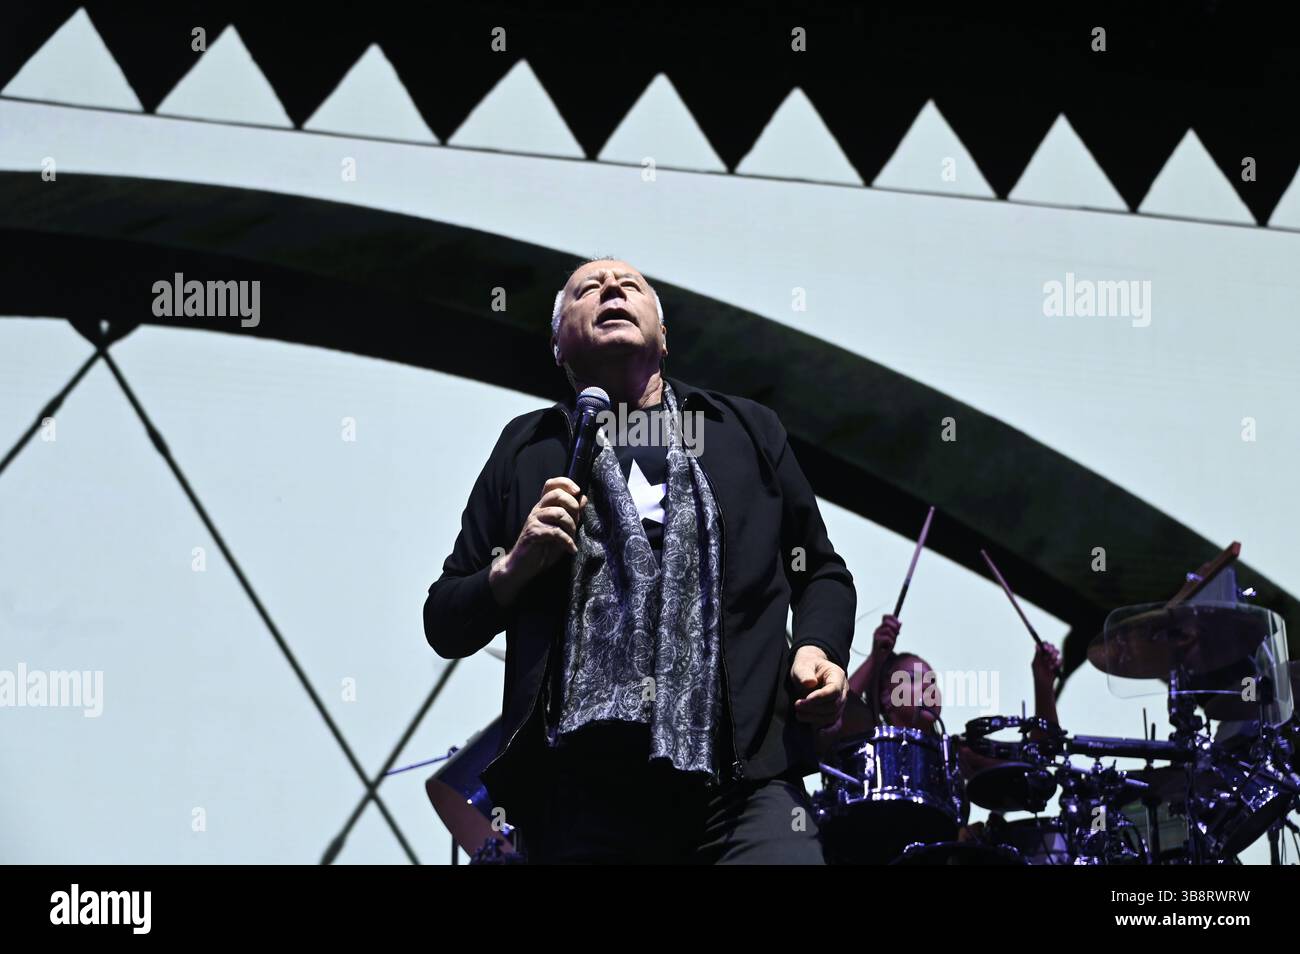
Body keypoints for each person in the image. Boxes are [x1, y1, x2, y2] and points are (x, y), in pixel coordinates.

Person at [423, 257, 856, 863]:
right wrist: (513, 567)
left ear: (663, 335)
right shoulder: (527, 449)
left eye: (630, 285)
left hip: (742, 783)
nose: (611, 289)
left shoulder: (743, 430)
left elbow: (821, 572)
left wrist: (818, 651)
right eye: (586, 289)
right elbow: (443, 618)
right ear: (557, 346)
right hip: (584, 801)